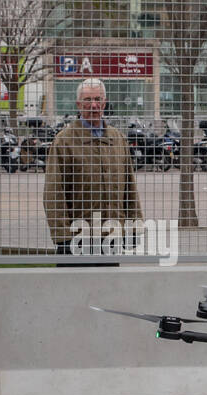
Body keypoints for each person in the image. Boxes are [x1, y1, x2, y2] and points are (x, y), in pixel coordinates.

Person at [43, 78, 142, 259]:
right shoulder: (64, 140)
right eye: (87, 100)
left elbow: (130, 188)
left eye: (98, 99)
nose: (93, 105)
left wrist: (133, 227)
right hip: (79, 236)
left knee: (109, 286)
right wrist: (62, 236)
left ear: (104, 103)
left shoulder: (117, 138)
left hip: (112, 234)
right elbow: (53, 191)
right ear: (78, 104)